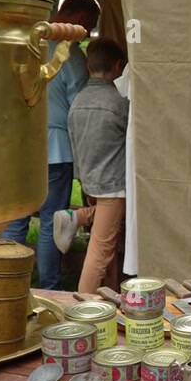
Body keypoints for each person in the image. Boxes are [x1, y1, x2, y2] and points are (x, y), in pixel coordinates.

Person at [2, 0, 100, 290]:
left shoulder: (19, 44)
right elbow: (78, 106)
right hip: (55, 149)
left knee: (15, 219)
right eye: (89, 27)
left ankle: (7, 283)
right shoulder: (69, 54)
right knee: (51, 221)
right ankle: (49, 287)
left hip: (16, 144)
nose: (87, 34)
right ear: (78, 20)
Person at [52, 38, 129, 293]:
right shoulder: (119, 104)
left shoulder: (78, 101)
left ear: (87, 66)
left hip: (89, 182)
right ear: (119, 66)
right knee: (100, 250)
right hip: (113, 185)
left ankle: (77, 216)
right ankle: (81, 308)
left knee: (110, 228)